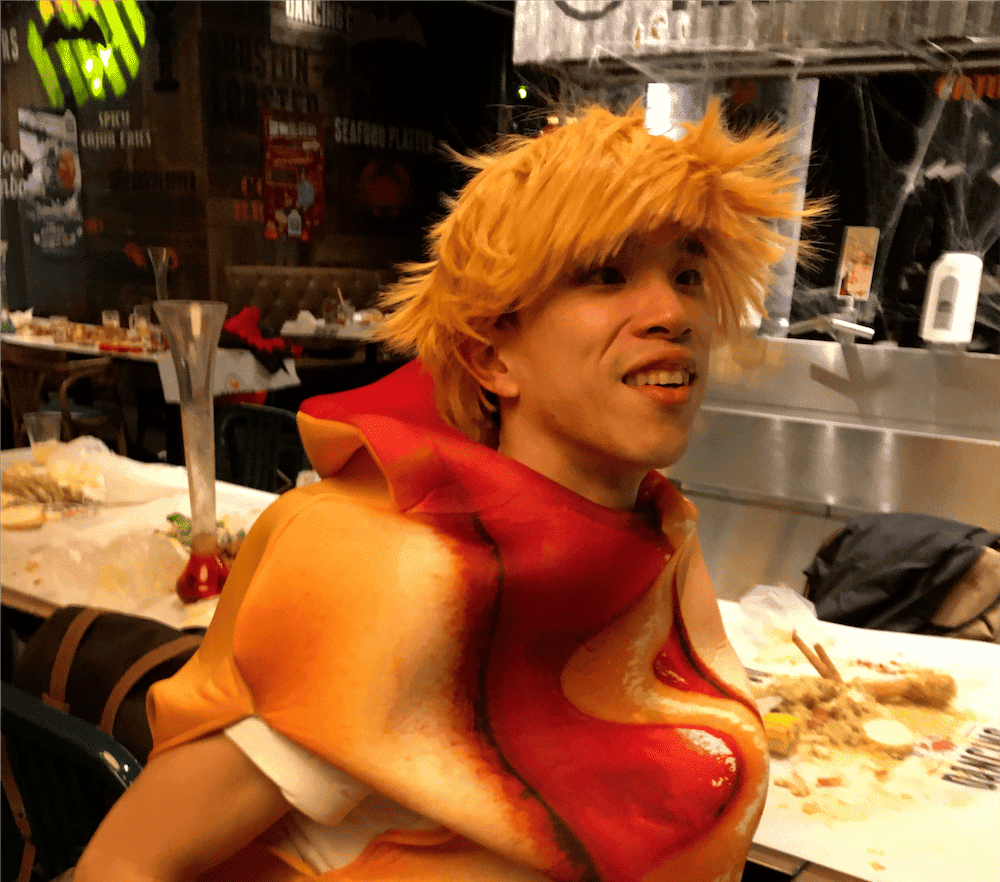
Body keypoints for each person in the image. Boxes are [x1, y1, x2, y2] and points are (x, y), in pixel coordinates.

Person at [77, 97, 818, 882]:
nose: (673, 313)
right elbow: (122, 866)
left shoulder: (657, 540)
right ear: (492, 357)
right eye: (606, 274)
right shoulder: (392, 575)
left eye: (688, 275)